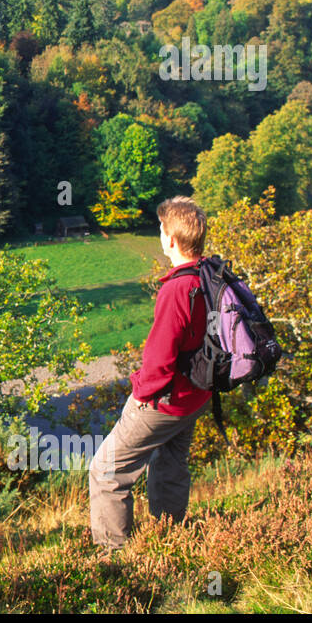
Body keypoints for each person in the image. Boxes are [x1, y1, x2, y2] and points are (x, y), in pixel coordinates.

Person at [89, 196, 212, 553]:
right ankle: (169, 538)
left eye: (160, 229)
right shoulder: (209, 275)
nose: (159, 235)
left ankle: (115, 556)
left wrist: (141, 396)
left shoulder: (177, 288)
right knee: (169, 463)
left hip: (166, 400)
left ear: (170, 240)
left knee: (106, 472)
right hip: (197, 395)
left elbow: (160, 360)